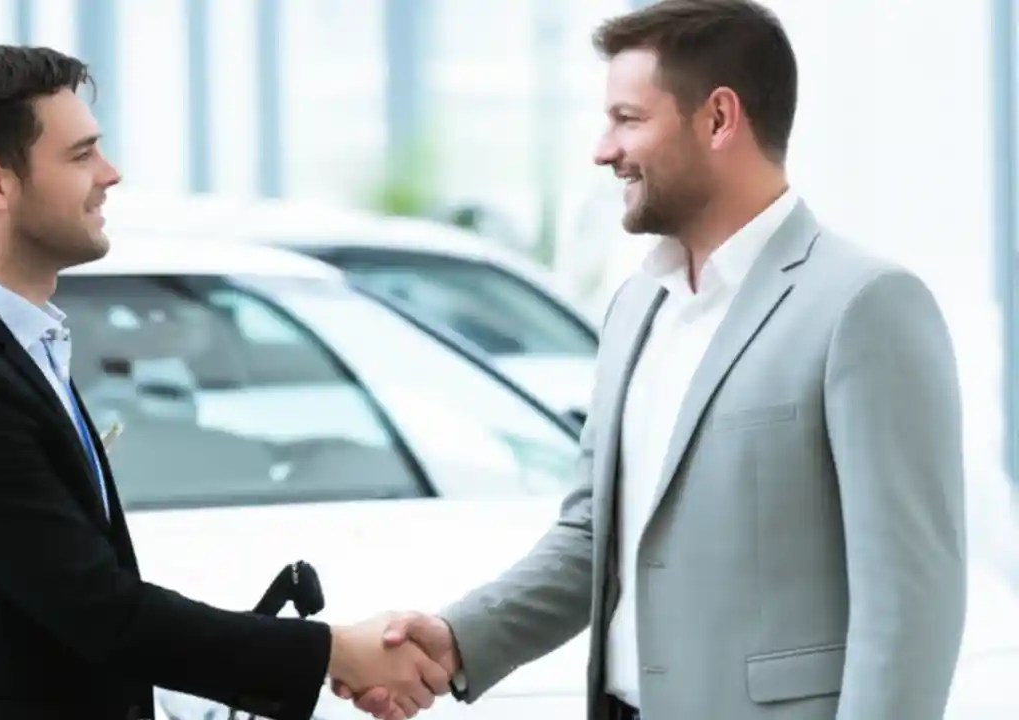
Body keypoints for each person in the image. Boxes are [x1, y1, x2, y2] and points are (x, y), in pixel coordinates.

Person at [340, 1, 968, 719]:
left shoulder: (865, 305)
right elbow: (592, 538)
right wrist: (459, 638)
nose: (603, 150)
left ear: (719, 118)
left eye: (628, 119)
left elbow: (910, 599)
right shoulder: (637, 306)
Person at [0, 45, 447, 720]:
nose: (110, 173)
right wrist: (334, 650)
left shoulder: (0, 345)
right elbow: (99, 610)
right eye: (80, 156)